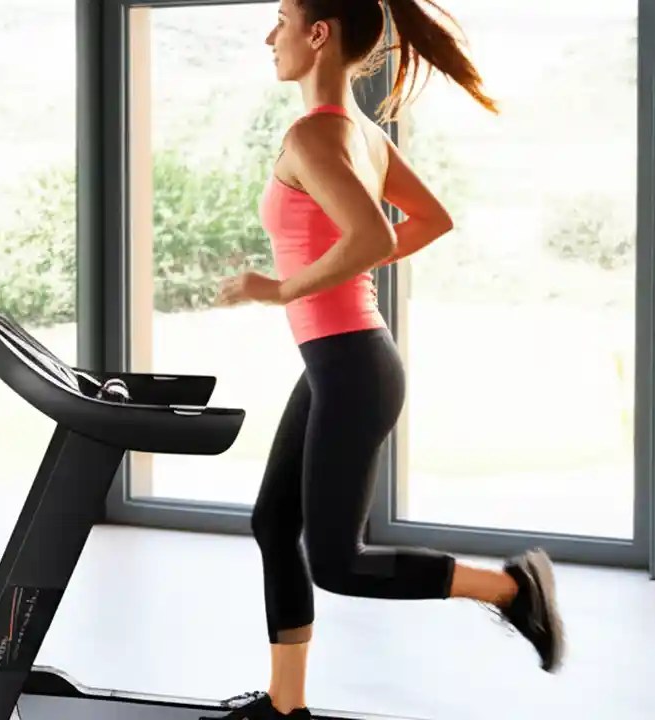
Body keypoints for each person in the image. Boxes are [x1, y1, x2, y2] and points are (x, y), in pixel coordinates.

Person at [208, 0, 564, 718]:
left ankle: (512, 589)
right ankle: (285, 705)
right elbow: (429, 220)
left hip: (350, 366)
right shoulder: (360, 134)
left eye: (282, 19)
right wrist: (339, 270)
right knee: (273, 524)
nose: (270, 36)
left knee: (337, 563)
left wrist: (282, 288)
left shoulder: (315, 135)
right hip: (339, 363)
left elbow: (370, 237)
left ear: (319, 34)